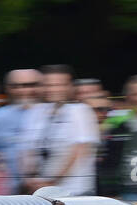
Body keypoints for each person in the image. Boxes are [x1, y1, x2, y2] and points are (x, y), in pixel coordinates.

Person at [19, 64, 100, 196]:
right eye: (49, 85)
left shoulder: (81, 111)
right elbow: (27, 151)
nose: (54, 89)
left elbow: (79, 152)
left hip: (75, 193)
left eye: (59, 84)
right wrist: (30, 178)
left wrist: (52, 182)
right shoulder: (35, 112)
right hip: (40, 193)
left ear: (70, 87)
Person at [0, 68, 41, 192]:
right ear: (7, 88)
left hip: (48, 190)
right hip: (9, 193)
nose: (23, 90)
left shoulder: (53, 116)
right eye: (16, 86)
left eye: (30, 85)